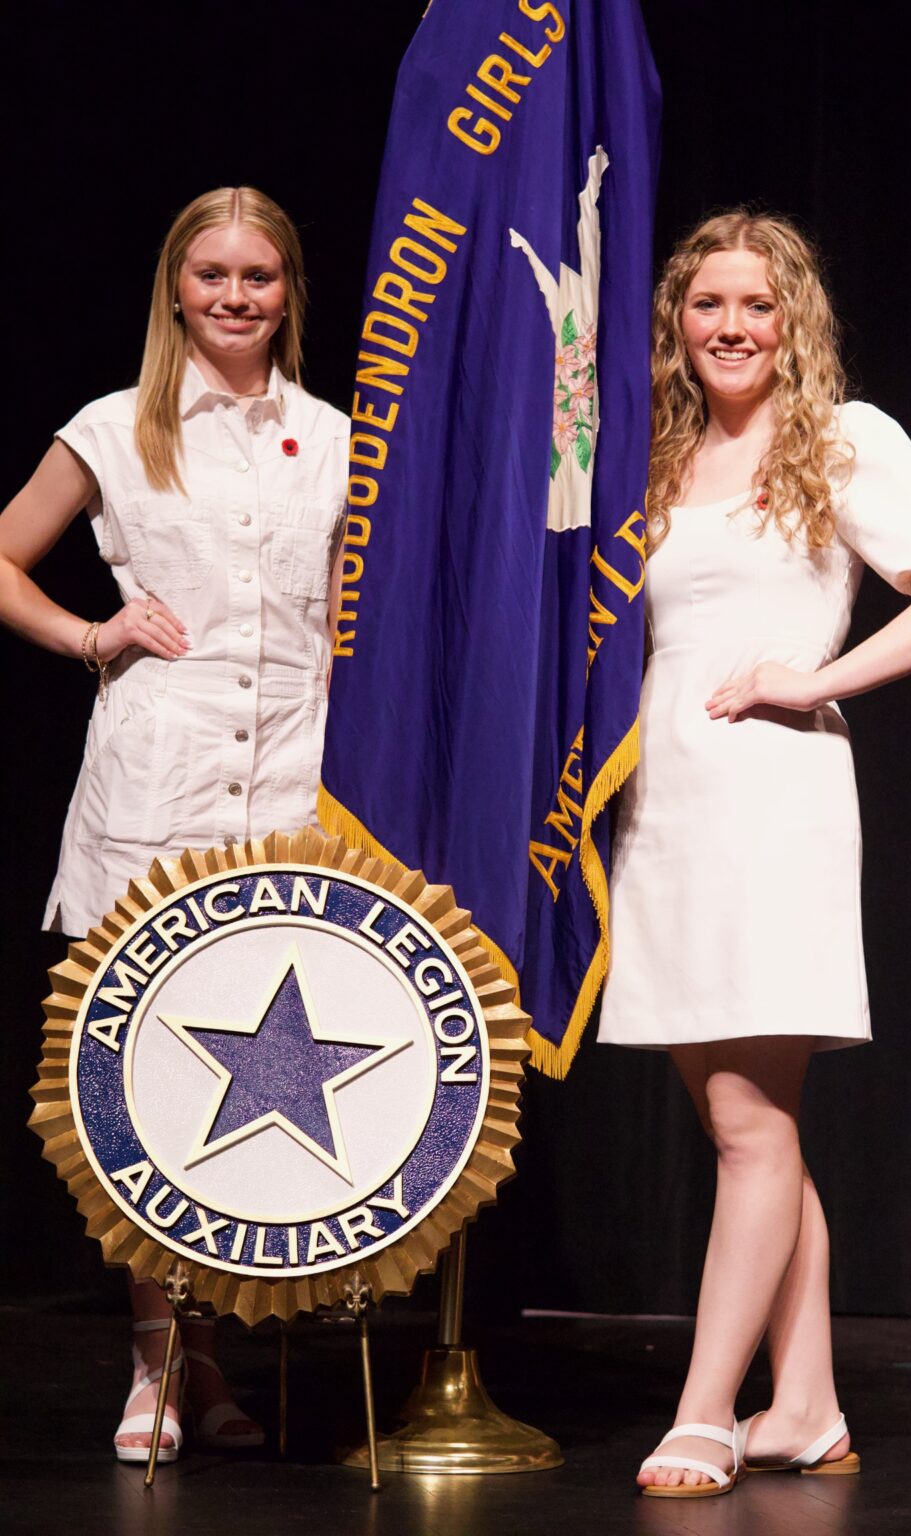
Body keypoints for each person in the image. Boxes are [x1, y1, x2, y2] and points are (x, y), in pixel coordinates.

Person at [598, 211, 911, 1499]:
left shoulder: (845, 439)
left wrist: (812, 679)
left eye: (757, 307)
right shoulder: (654, 460)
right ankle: (807, 1404)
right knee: (742, 1119)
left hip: (771, 800)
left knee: (748, 1125)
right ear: (677, 321)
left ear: (791, 322)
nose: (731, 327)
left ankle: (706, 1411)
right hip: (666, 813)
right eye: (708, 305)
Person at [0, 186, 351, 1463]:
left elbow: (341, 609)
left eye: (259, 275)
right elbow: (4, 554)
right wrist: (91, 635)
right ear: (176, 286)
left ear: (288, 291)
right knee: (137, 1080)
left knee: (256, 1084)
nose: (235, 296)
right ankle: (155, 1362)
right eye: (212, 274)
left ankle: (215, 1357)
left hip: (290, 789)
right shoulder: (112, 429)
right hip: (155, 782)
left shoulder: (335, 434)